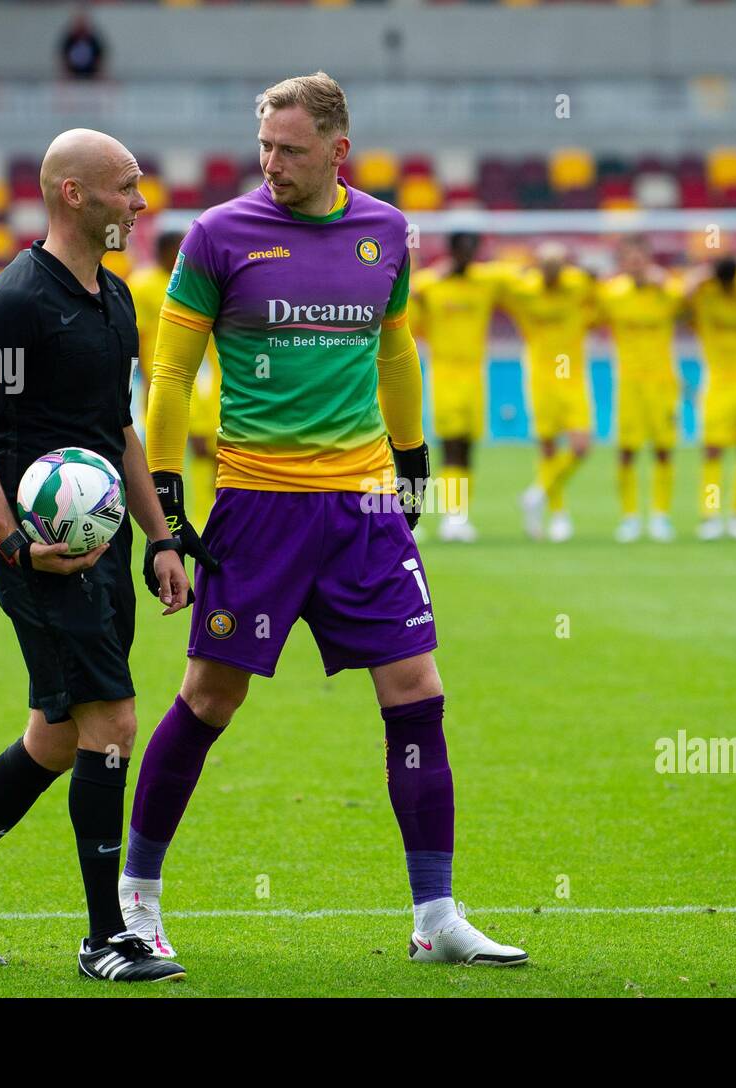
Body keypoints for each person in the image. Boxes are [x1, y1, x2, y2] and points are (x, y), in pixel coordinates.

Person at [120, 72, 527, 967]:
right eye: (264, 145)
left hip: (366, 506)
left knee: (418, 694)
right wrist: (169, 508)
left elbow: (395, 346)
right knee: (209, 699)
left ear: (338, 150)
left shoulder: (385, 233)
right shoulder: (218, 236)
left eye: (291, 149)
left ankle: (437, 917)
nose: (272, 163)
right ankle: (136, 902)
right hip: (259, 508)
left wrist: (414, 465)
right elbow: (172, 378)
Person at [0, 129, 191, 983]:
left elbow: (119, 429)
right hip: (44, 558)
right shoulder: (14, 303)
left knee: (57, 737)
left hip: (105, 547)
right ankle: (106, 939)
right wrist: (17, 545)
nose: (140, 203)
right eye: (127, 187)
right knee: (113, 724)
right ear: (73, 194)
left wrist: (162, 538)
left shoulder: (116, 297)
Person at [408, 231, 505, 542]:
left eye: (472, 251)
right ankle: (434, 514)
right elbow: (409, 315)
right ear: (451, 252)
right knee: (448, 444)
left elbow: (520, 279)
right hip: (445, 373)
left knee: (467, 445)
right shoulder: (430, 285)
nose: (467, 257)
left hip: (476, 375)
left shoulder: (486, 281)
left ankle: (459, 515)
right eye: (462, 251)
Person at [129, 231, 221, 530]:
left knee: (209, 450)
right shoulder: (142, 285)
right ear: (165, 251)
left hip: (201, 381)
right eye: (178, 249)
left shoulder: (195, 282)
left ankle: (207, 513)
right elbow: (137, 336)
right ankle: (173, 515)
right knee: (172, 454)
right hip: (161, 380)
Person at [507, 242, 597, 543]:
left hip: (572, 377)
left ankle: (537, 493)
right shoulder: (525, 289)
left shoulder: (577, 285)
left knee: (581, 446)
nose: (552, 272)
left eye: (557, 266)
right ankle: (558, 514)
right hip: (540, 376)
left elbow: (598, 284)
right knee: (547, 447)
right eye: (546, 266)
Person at [596, 236, 683, 543]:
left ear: (649, 260)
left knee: (663, 450)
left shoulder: (666, 291)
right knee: (627, 451)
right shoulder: (612, 294)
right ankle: (630, 517)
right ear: (622, 263)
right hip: (628, 383)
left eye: (640, 259)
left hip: (663, 383)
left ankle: (661, 516)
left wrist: (667, 281)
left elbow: (691, 297)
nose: (635, 264)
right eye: (629, 259)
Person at [685, 255, 736, 541]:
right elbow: (680, 300)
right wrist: (700, 276)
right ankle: (710, 516)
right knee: (713, 451)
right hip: (718, 384)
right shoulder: (703, 297)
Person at [60, 7, 106, 81]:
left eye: (83, 23)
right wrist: (66, 73)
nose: (81, 26)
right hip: (73, 75)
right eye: (79, 23)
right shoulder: (69, 39)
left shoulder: (93, 39)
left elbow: (100, 57)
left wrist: (99, 73)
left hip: (91, 75)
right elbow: (64, 57)